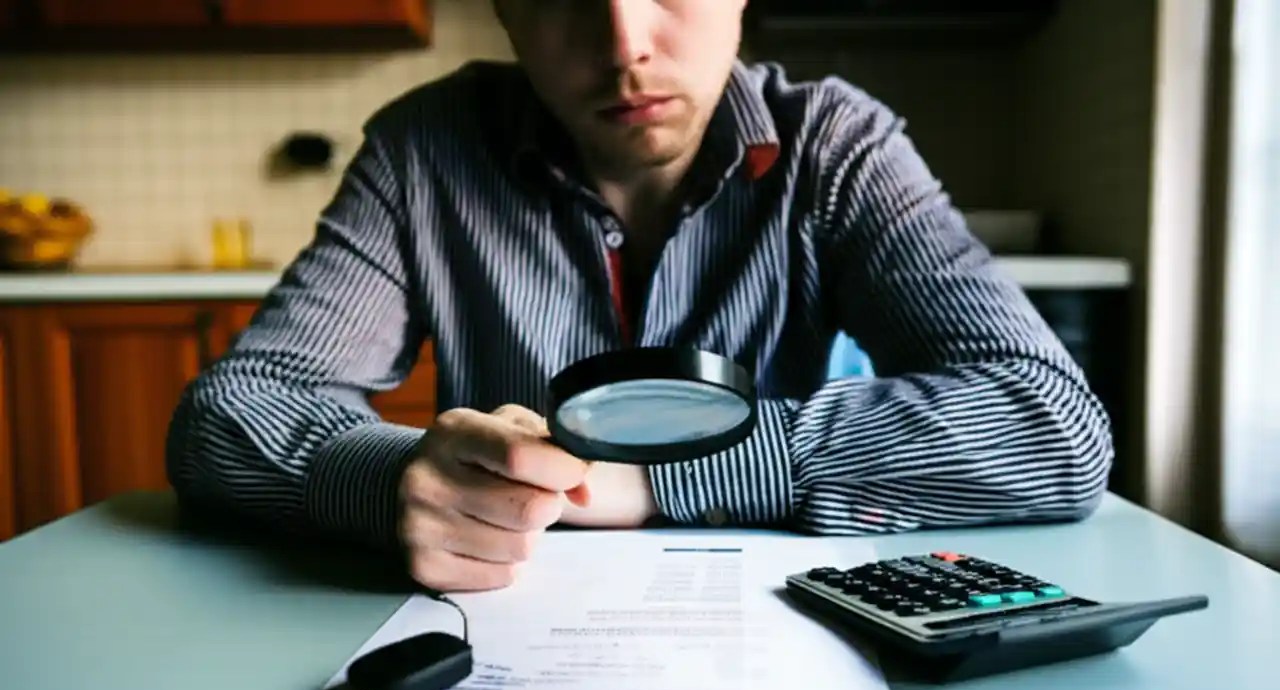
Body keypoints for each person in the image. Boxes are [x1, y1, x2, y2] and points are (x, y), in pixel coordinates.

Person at [165, 0, 1113, 592]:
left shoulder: (837, 144)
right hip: (503, 628)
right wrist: (391, 481)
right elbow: (229, 413)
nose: (625, 41)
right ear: (504, 10)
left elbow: (1056, 424)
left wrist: (651, 481)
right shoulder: (427, 151)